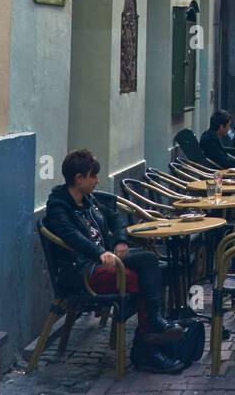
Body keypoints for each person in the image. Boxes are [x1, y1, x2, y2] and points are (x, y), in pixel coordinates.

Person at [44, 149, 185, 375]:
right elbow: (72, 237)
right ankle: (148, 349)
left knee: (151, 262)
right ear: (78, 179)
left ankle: (153, 332)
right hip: (84, 271)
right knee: (141, 280)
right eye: (93, 176)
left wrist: (119, 240)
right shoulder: (58, 206)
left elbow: (115, 217)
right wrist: (99, 253)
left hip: (108, 261)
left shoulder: (89, 199)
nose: (97, 180)